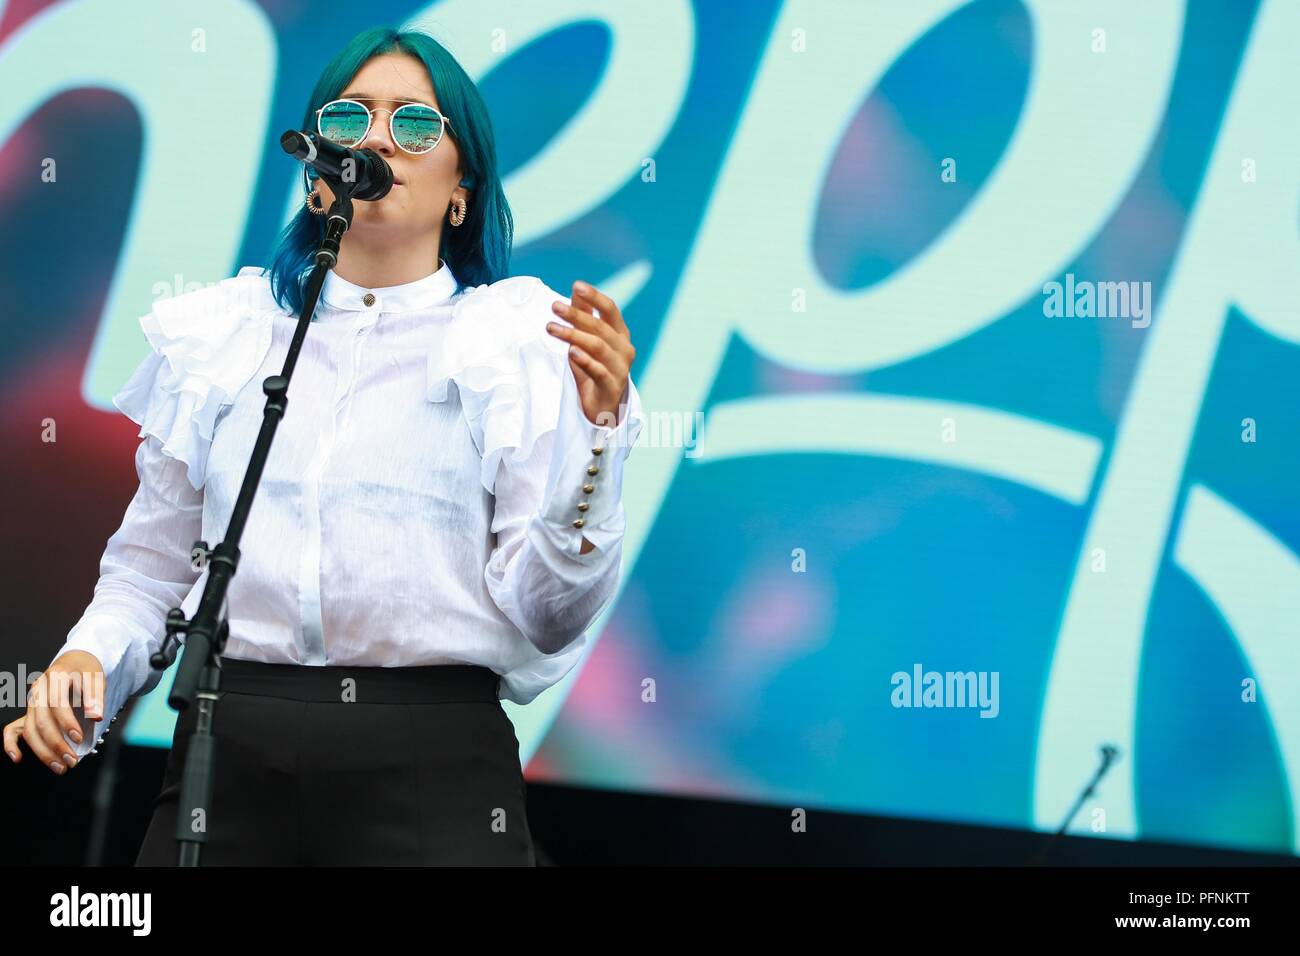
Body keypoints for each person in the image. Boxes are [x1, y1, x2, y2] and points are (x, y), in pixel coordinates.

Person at [2, 26, 644, 866]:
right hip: (227, 747)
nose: (377, 138)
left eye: (415, 124)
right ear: (317, 168)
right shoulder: (229, 336)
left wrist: (595, 444)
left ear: (463, 187)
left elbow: (550, 614)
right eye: (350, 119)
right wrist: (85, 660)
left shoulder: (513, 345)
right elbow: (151, 570)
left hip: (431, 763)